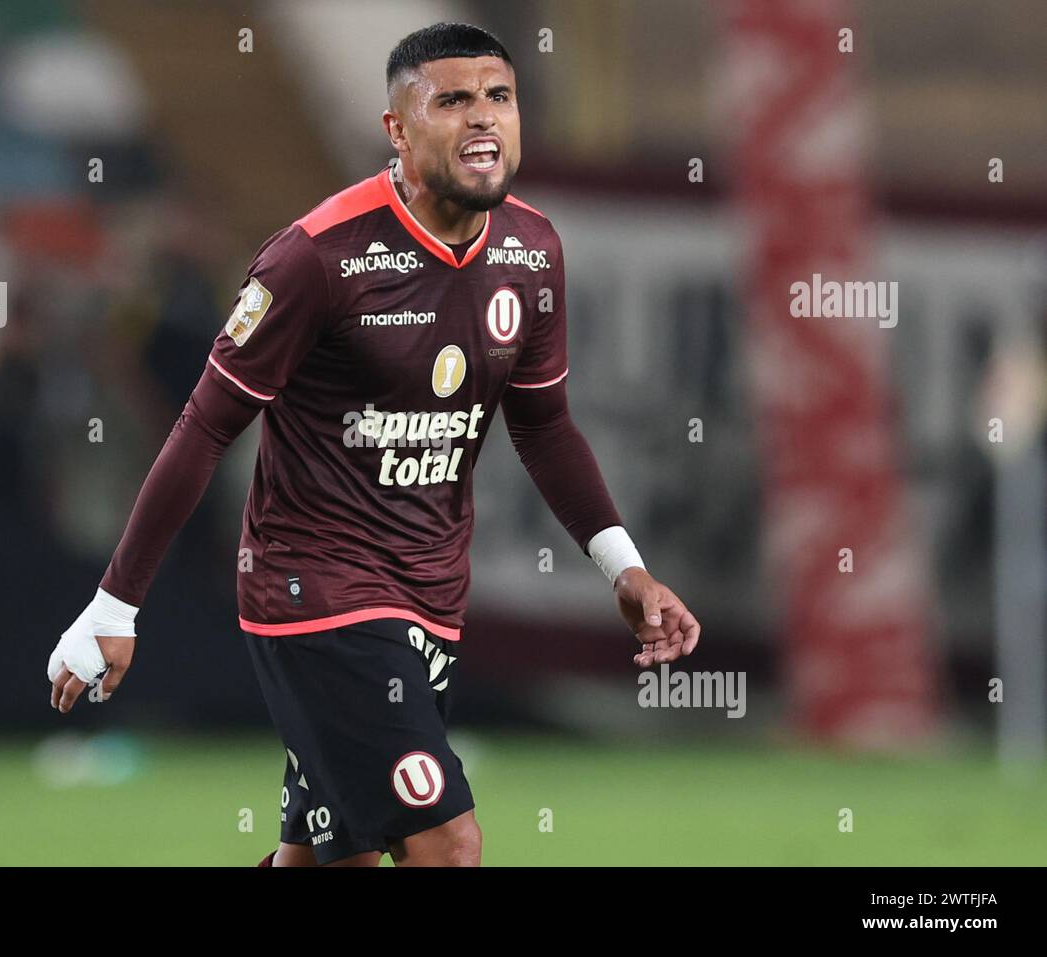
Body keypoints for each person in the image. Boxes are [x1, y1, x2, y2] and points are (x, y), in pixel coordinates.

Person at [46, 22, 701, 867]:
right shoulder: (317, 259)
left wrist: (625, 567)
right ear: (397, 128)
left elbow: (542, 423)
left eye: (498, 97)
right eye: (452, 100)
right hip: (312, 590)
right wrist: (115, 604)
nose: (483, 121)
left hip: (429, 594)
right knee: (447, 843)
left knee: (326, 859)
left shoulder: (532, 252)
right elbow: (204, 426)